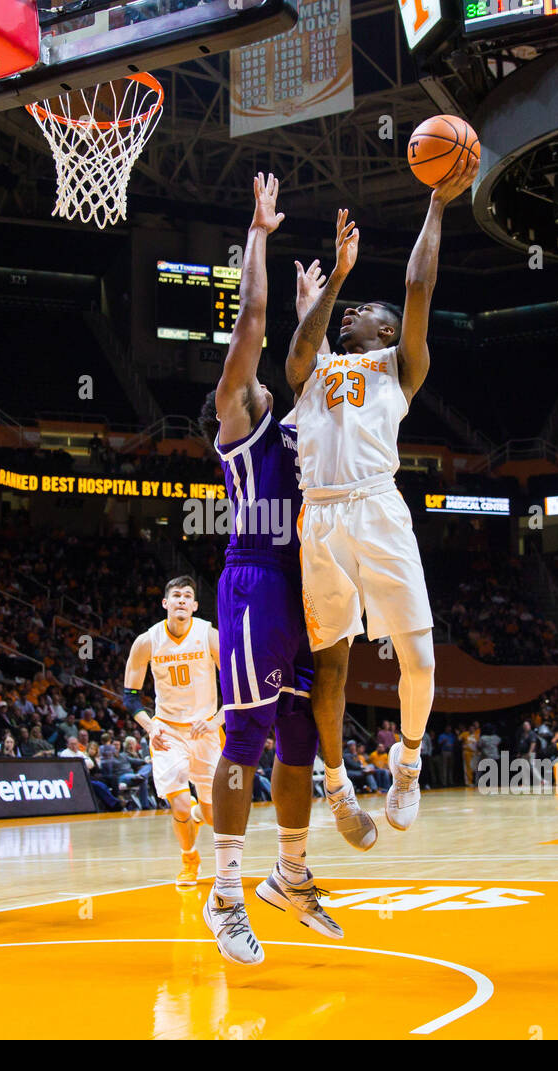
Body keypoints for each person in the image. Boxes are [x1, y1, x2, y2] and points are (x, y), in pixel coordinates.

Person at [193, 174, 364, 965]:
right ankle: (223, 895)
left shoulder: (293, 418)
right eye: (249, 378)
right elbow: (252, 333)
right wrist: (256, 235)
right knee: (248, 737)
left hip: (306, 581)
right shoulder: (240, 415)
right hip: (256, 579)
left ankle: (290, 874)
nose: (258, 378)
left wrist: (316, 309)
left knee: (298, 734)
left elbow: (305, 361)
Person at [283, 151, 478, 834]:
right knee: (329, 668)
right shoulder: (317, 368)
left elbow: (417, 289)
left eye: (363, 310)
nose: (351, 317)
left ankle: (409, 761)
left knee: (420, 658)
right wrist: (335, 281)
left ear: (386, 332)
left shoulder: (398, 365)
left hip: (378, 507)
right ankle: (336, 786)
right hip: (321, 521)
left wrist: (436, 204)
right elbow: (296, 357)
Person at [123, 575, 222, 891]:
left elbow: (235, 687)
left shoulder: (209, 635)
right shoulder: (147, 641)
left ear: (194, 605)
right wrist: (150, 726)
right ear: (165, 603)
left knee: (211, 816)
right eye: (175, 595)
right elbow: (130, 696)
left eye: (187, 595)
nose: (181, 600)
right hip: (166, 731)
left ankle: (198, 812)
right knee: (177, 804)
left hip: (204, 730)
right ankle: (189, 858)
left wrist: (216, 721)